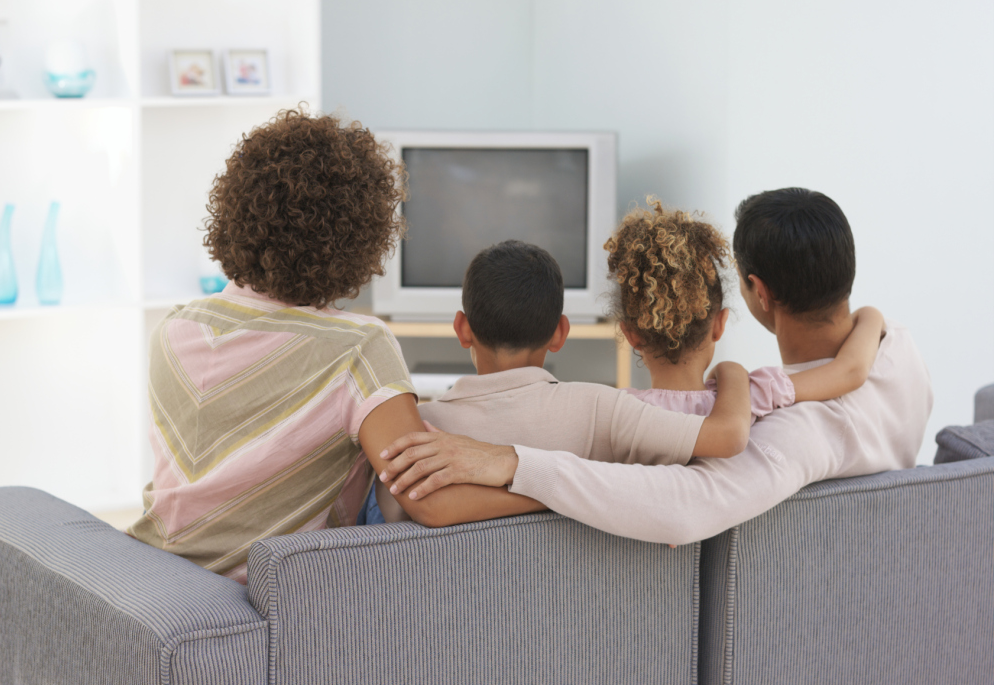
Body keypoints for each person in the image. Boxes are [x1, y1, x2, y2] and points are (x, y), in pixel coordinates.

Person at [379, 188, 933, 546]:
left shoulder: (791, 437)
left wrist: (515, 462)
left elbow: (680, 509)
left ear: (757, 291)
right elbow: (856, 353)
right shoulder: (897, 352)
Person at [127, 110, 537, 581]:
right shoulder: (359, 346)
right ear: (358, 235)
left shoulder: (176, 327)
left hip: (156, 570)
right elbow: (431, 502)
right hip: (264, 592)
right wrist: (553, 488)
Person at [370, 240, 753, 527]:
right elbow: (727, 436)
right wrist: (732, 369)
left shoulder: (414, 433)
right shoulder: (600, 408)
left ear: (462, 329)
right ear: (560, 333)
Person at [605, 198, 885, 417]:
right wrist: (729, 374)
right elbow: (850, 370)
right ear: (719, 324)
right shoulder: (746, 398)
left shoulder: (616, 412)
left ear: (630, 334)